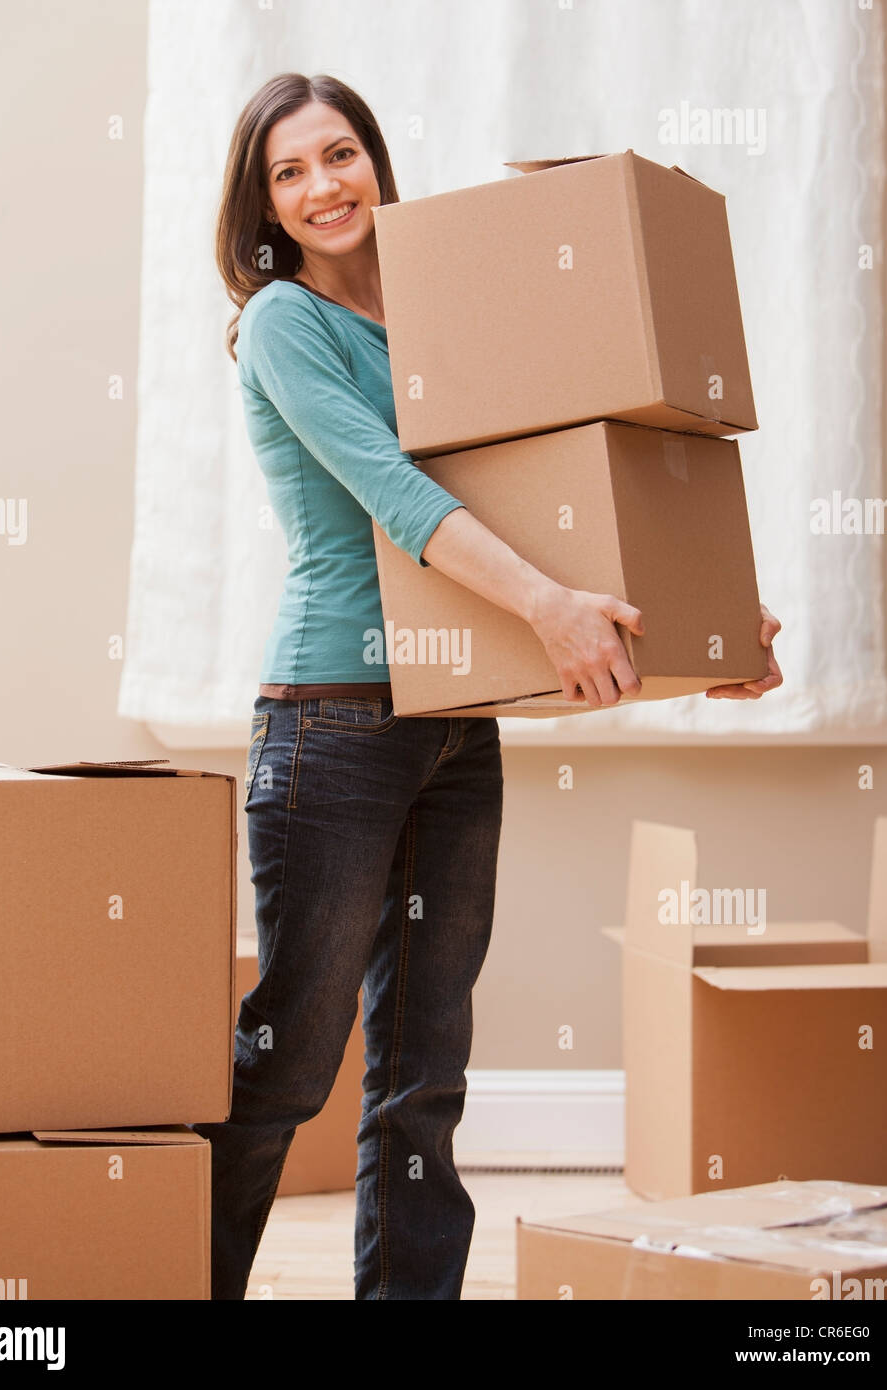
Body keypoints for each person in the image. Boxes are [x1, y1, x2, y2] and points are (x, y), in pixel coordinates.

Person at [193, 71, 784, 1302]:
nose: (320, 187)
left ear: (376, 160)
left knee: (425, 1072)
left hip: (455, 718)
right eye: (287, 173)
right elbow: (403, 502)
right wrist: (552, 611)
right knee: (290, 1062)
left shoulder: (449, 316)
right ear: (262, 205)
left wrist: (699, 624)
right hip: (334, 721)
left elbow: (556, 485)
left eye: (338, 154)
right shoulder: (283, 323)